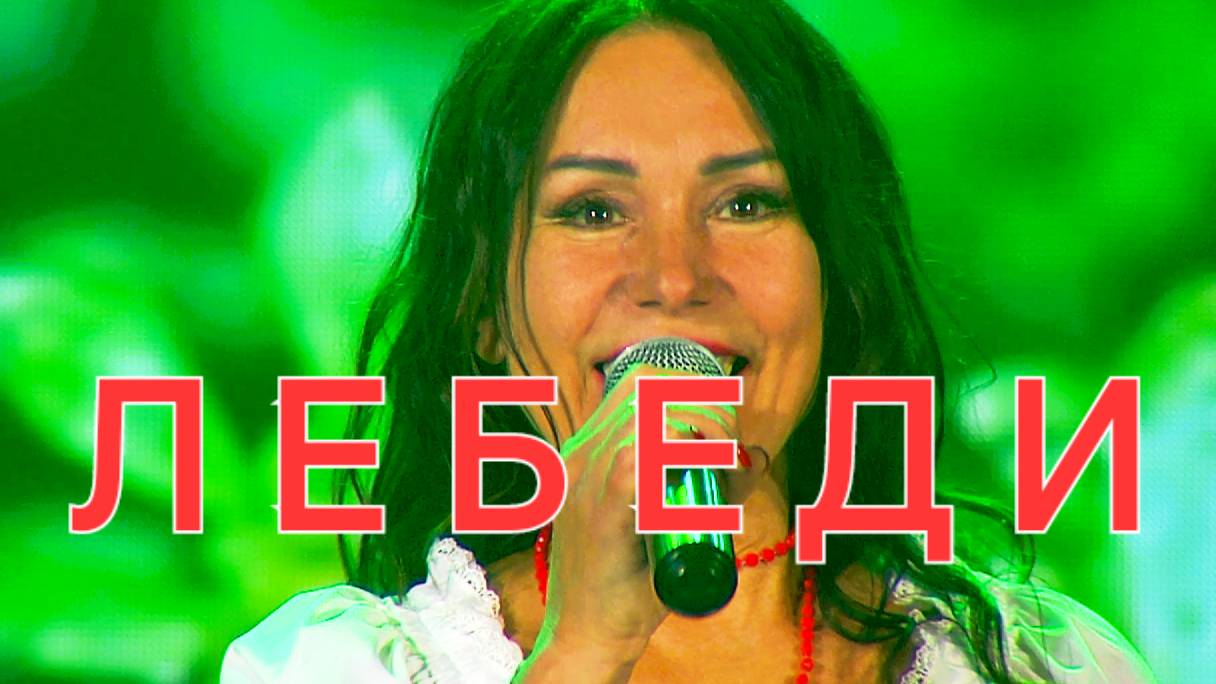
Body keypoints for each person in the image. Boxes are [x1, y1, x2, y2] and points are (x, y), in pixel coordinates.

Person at [221, 0, 1158, 681]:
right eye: (593, 211)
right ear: (483, 315)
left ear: (841, 284)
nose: (673, 277)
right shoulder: (334, 666)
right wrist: (582, 650)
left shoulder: (1039, 664)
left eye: (745, 203)